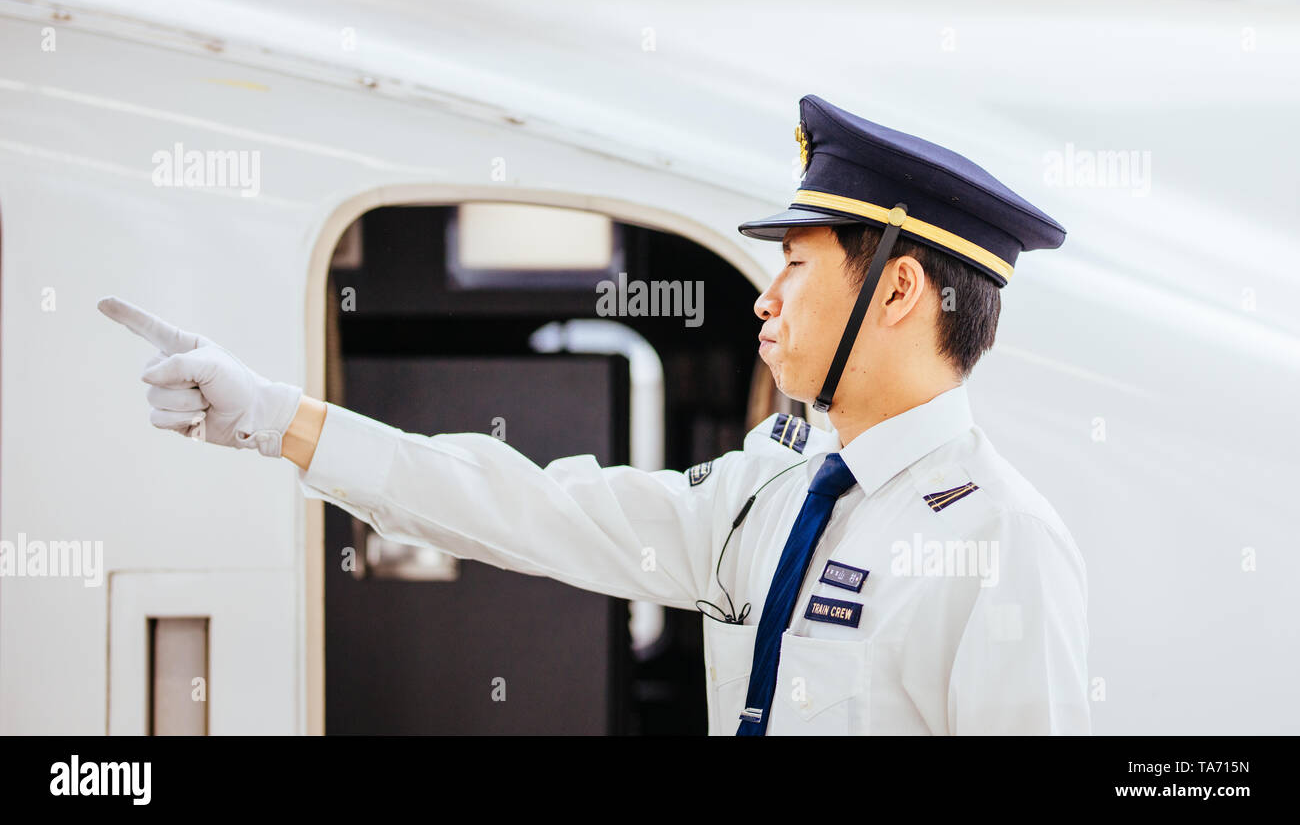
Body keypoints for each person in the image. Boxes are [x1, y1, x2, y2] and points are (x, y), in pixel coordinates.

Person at [99, 93, 1090, 735]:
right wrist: (276, 417)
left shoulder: (1000, 543)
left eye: (795, 263)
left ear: (900, 288)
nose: (767, 294)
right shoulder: (771, 489)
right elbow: (528, 508)